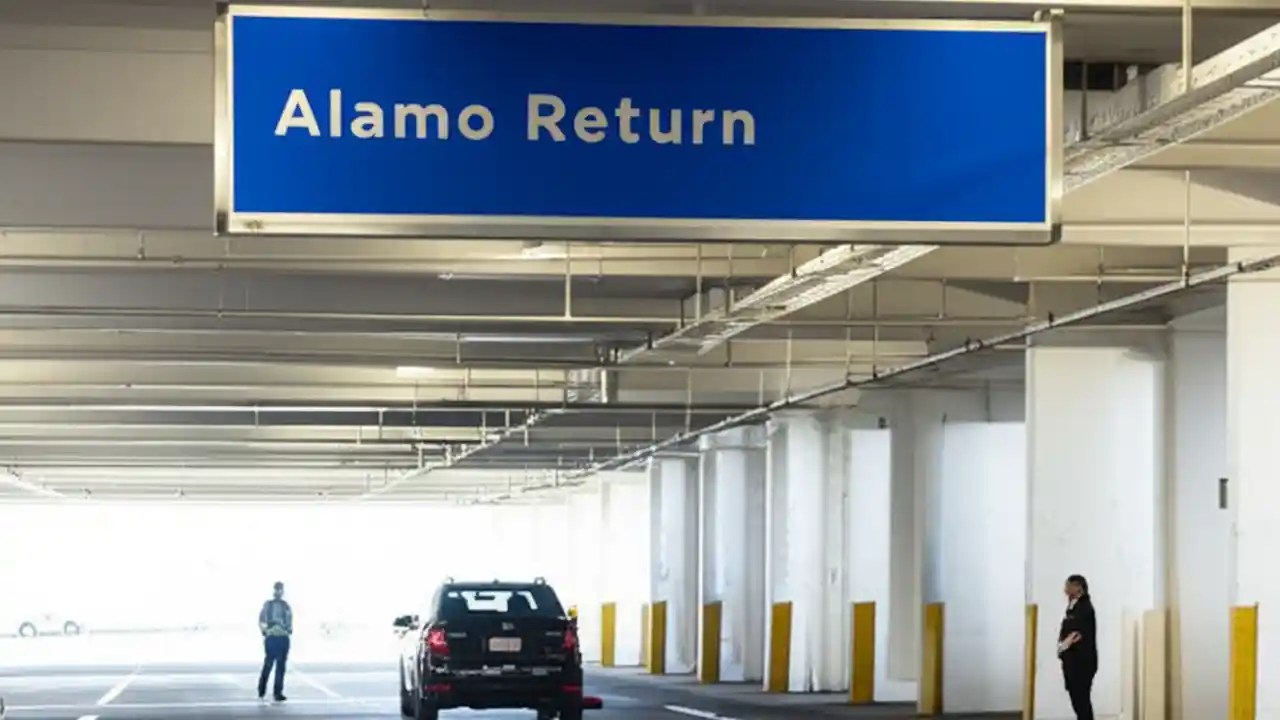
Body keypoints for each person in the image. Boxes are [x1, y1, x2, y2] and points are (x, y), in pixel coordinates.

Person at [1057, 574, 1097, 720]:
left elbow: (1076, 634)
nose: (1065, 590)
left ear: (1078, 587)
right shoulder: (1073, 607)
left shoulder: (1084, 608)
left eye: (1068, 586)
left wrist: (1062, 647)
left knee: (1081, 700)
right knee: (1078, 700)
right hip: (1073, 661)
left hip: (1081, 663)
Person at [257, 581, 293, 702]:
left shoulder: (286, 606)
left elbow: (290, 622)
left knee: (281, 667)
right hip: (272, 638)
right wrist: (266, 631)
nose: (278, 592)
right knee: (269, 664)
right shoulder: (268, 605)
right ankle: (261, 689)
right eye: (277, 589)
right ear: (274, 590)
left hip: (282, 638)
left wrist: (288, 630)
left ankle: (278, 692)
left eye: (280, 589)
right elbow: (261, 620)